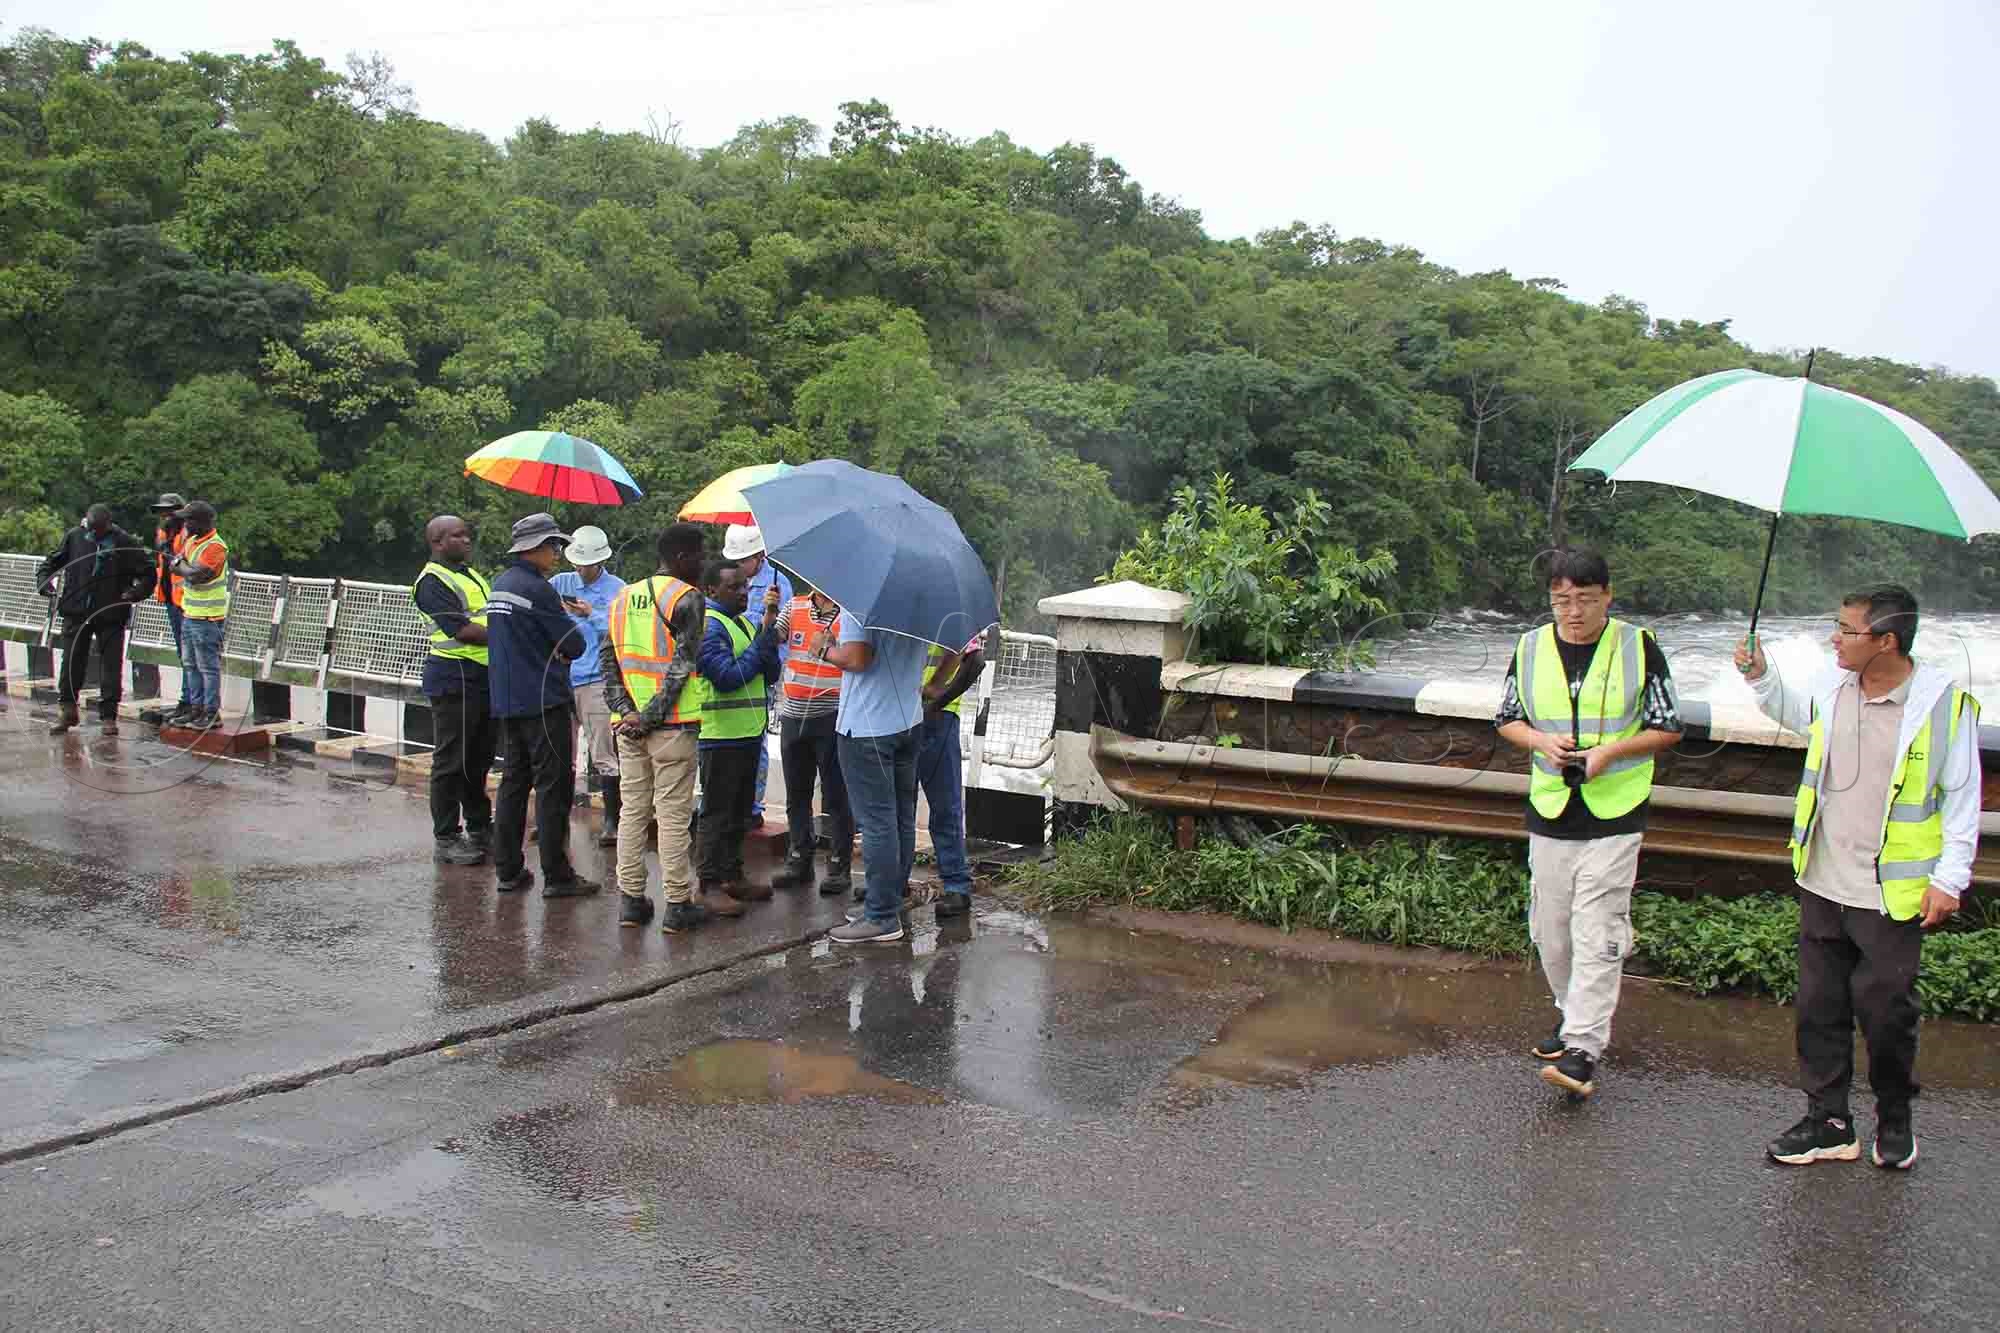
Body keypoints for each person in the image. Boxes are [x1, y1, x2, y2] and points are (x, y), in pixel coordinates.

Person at [1737, 586, 1980, 1170]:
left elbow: (1962, 796)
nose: (1834, 639)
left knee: (1884, 1009)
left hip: (1889, 890)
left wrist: (1950, 878)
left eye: (1846, 630)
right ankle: (1829, 1121)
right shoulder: (1832, 683)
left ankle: (1895, 1117)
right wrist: (1760, 674)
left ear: (1886, 641)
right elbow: (1795, 714)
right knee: (1818, 1007)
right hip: (1823, 874)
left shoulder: (1942, 705)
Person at [1494, 547, 1682, 1098]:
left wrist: (1612, 753)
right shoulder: (1529, 648)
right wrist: (1538, 742)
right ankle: (1569, 1011)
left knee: (1596, 927)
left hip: (1616, 809)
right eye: (1561, 600)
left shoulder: (1637, 646)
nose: (1572, 611)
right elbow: (1507, 717)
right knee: (1550, 931)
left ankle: (1582, 1049)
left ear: (1607, 597)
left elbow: (1668, 725)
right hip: (1552, 804)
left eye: (1585, 599)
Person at [486, 513, 599, 899]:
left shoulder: (501, 585)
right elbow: (574, 645)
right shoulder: (539, 590)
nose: (557, 552)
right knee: (554, 787)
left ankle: (508, 869)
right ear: (535, 548)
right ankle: (557, 874)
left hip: (508, 699)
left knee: (514, 784)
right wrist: (571, 621)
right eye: (553, 545)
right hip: (543, 701)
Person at [603, 523, 710, 931]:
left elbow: (608, 661)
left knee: (633, 810)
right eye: (700, 555)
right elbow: (682, 666)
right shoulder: (686, 598)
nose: (704, 562)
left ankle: (631, 901)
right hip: (672, 727)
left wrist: (626, 712)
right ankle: (678, 904)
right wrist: (649, 716)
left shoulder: (622, 598)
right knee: (672, 815)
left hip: (628, 728)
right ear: (682, 558)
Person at [821, 610, 931, 945]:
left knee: (877, 823)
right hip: (908, 721)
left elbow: (857, 658)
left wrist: (824, 649)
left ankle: (881, 915)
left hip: (867, 728)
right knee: (900, 818)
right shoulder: (920, 601)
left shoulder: (861, 603)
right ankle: (889, 900)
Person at [689, 558, 782, 915]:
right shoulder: (710, 626)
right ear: (711, 590)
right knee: (716, 812)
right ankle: (708, 883)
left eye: (745, 586)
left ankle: (731, 874)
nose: (744, 592)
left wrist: (768, 633)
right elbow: (726, 677)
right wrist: (760, 648)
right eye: (734, 587)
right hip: (720, 735)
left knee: (740, 812)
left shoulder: (741, 622)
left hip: (747, 732)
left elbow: (769, 672)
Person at [412, 515, 495, 866]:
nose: (466, 540)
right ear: (437, 541)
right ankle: (446, 836)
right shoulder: (431, 581)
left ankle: (479, 825)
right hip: (453, 676)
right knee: (450, 761)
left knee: (478, 758)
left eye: (467, 535)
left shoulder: (469, 574)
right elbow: (461, 630)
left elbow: (489, 615)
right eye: (458, 536)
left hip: (482, 675)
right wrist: (511, 634)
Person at [37, 504, 155, 736]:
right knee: (71, 661)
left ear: (108, 525)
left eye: (99, 530)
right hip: (76, 610)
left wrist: (133, 594)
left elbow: (149, 573)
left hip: (110, 613)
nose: (94, 533)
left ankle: (108, 717)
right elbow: (51, 563)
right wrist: (44, 583)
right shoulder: (75, 536)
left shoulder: (124, 541)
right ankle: (68, 711)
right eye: (91, 529)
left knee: (111, 665)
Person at [769, 582, 855, 897]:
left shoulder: (850, 613)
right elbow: (772, 639)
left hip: (833, 714)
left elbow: (856, 658)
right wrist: (769, 611)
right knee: (797, 793)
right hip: (793, 714)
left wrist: (833, 648)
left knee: (836, 794)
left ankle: (838, 865)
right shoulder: (794, 606)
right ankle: (799, 859)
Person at [549, 525, 626, 848]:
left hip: (596, 680)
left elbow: (621, 631)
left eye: (588, 564)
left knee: (603, 753)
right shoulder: (559, 583)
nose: (581, 569)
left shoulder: (618, 589)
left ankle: (612, 821)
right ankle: (555, 819)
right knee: (558, 754)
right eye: (578, 562)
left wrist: (591, 613)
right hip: (561, 678)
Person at [723, 524, 793, 828]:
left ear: (760, 555)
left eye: (744, 561)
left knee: (755, 739)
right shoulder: (725, 581)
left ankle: (753, 804)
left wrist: (769, 615)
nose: (739, 567)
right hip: (729, 670)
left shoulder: (778, 585)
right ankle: (729, 800)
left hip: (760, 674)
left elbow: (781, 635)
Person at [916, 633, 986, 918]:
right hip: (905, 713)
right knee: (897, 808)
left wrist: (938, 701)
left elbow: (976, 660)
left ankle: (956, 884)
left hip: (936, 717)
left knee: (944, 805)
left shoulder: (950, 606)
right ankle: (889, 884)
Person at [168, 501, 229, 732]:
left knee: (207, 667)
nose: (185, 524)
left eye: (189, 520)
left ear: (203, 522)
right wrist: (185, 568)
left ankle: (211, 712)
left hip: (208, 618)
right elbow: (178, 565)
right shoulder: (192, 541)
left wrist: (183, 568)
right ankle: (196, 709)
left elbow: (197, 576)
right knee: (190, 664)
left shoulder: (216, 547)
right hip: (190, 613)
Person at [149, 493, 193, 721]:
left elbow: (183, 561)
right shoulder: (164, 532)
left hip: (185, 601)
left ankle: (189, 702)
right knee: (182, 652)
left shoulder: (187, 532)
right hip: (169, 598)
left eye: (169, 511)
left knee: (189, 654)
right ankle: (187, 701)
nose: (164, 515)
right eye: (162, 512)